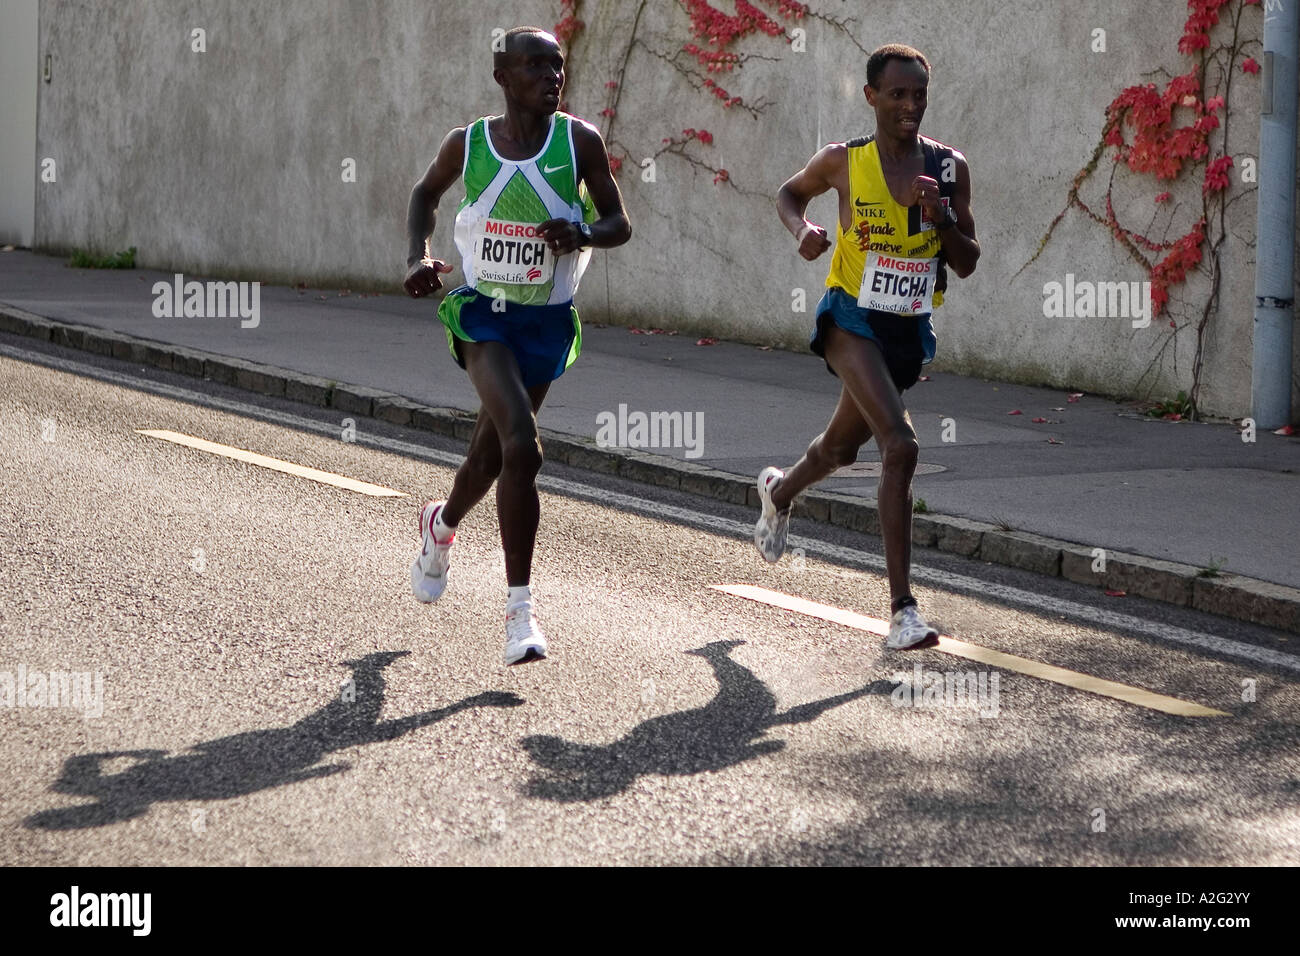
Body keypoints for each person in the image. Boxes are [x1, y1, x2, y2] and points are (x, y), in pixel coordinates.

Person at [403, 26, 631, 665]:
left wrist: (582, 229)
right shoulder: (469, 144)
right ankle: (519, 615)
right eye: (534, 66)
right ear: (503, 77)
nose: (551, 76)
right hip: (483, 318)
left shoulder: (579, 142)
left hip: (546, 322)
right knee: (522, 448)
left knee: (488, 459)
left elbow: (619, 222)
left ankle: (441, 525)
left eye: (557, 66)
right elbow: (425, 194)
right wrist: (419, 255)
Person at [755, 43, 979, 649]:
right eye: (898, 94)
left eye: (920, 95)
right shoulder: (843, 162)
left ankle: (778, 493)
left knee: (838, 450)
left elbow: (966, 264)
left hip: (906, 330)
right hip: (850, 318)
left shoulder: (950, 167)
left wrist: (942, 219)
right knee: (900, 446)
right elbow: (788, 193)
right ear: (871, 97)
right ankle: (903, 610)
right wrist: (802, 230)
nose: (911, 106)